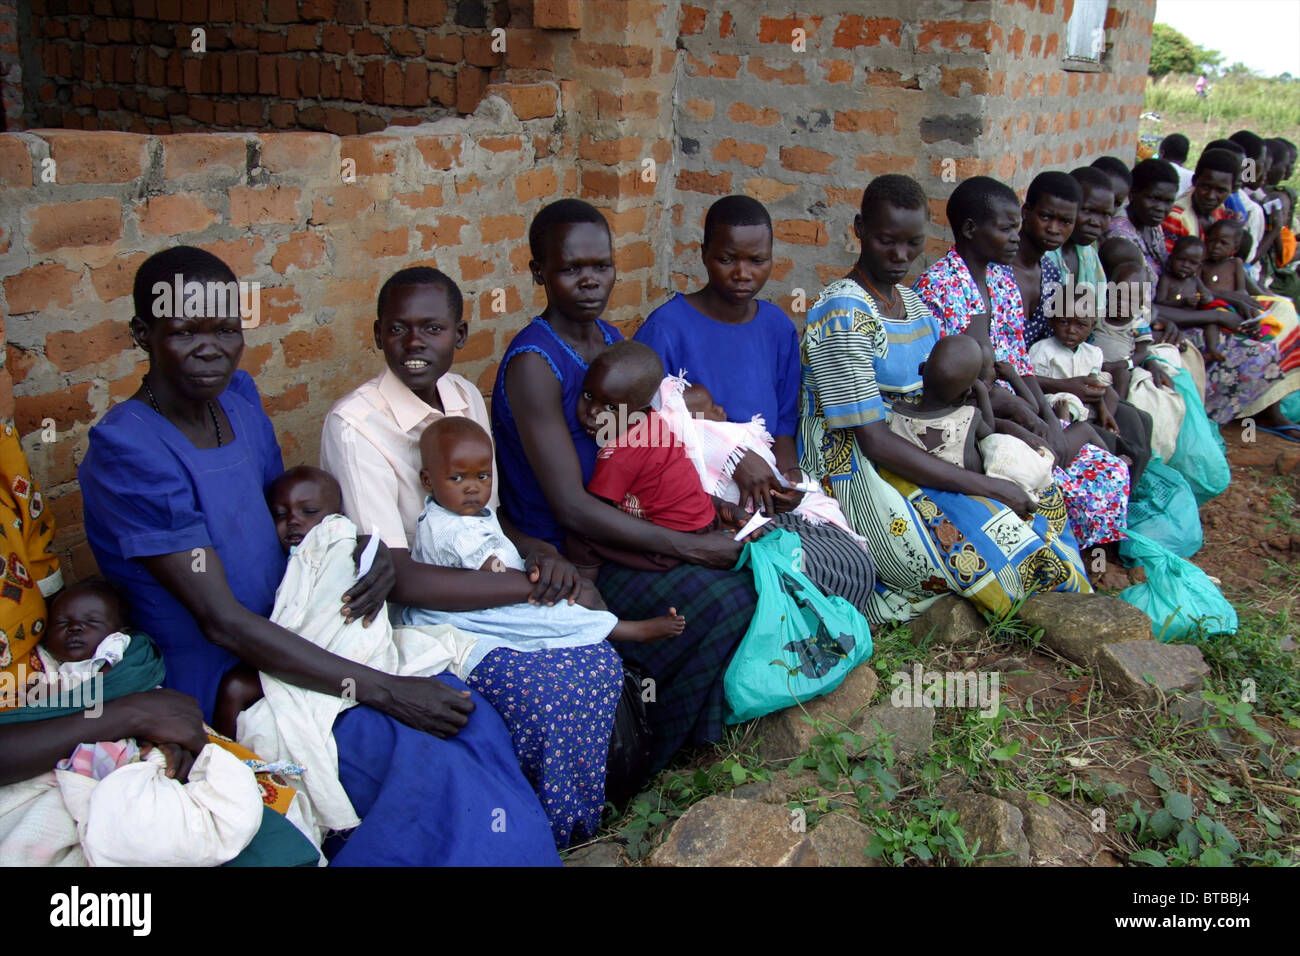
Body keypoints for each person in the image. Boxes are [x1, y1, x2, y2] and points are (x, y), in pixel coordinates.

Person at [78, 246, 559, 866]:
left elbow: (296, 525)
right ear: (143, 333)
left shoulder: (238, 400)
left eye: (225, 330)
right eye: (185, 331)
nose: (210, 349)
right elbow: (220, 620)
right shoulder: (129, 448)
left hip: (308, 629)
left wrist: (358, 548)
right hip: (231, 671)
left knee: (475, 724)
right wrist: (382, 690)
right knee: (418, 757)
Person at [322, 265, 623, 849]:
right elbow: (399, 578)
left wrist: (539, 556)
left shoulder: (461, 394)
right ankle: (532, 834)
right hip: (425, 613)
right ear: (376, 333)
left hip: (493, 582)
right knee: (545, 693)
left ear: (460, 336)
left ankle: (576, 819)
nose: (415, 344)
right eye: (399, 330)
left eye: (432, 329)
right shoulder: (354, 427)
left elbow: (488, 515)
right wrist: (531, 585)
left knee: (595, 651)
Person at [492, 199, 759, 772]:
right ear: (538, 272)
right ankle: (657, 748)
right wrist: (687, 544)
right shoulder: (535, 364)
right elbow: (568, 505)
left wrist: (706, 505)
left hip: (633, 521)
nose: (590, 280)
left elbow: (648, 447)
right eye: (569, 269)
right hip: (574, 549)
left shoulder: (613, 342)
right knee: (722, 600)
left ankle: (704, 731)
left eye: (601, 265)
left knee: (750, 573)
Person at [799, 174, 1089, 627]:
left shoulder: (913, 306)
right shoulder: (842, 312)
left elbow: (946, 392)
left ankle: (1062, 604)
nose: (900, 256)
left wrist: (1011, 419)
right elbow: (873, 441)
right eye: (886, 241)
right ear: (858, 229)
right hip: (858, 469)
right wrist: (983, 485)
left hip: (920, 443)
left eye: (913, 243)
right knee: (988, 531)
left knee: (1035, 490)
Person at [915, 175, 1131, 550]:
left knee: (1105, 465)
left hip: (1012, 410)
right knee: (1058, 480)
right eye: (1007, 228)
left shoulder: (1000, 279)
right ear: (970, 229)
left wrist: (1045, 415)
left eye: (1017, 227)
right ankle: (1058, 558)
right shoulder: (941, 286)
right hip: (970, 423)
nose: (1017, 236)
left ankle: (1084, 554)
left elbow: (1016, 360)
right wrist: (1027, 420)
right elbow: (955, 387)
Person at [635, 194, 802, 512]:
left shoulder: (777, 327)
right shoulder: (666, 328)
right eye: (727, 259)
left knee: (845, 557)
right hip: (692, 492)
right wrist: (730, 457)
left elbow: (783, 425)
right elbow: (639, 427)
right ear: (704, 255)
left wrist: (790, 477)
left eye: (757, 260)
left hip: (766, 489)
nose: (742, 273)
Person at [1162, 151, 1300, 430]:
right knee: (1259, 346)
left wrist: (1240, 298)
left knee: (1284, 309)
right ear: (1195, 181)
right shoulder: (1176, 217)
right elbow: (1183, 279)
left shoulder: (1221, 215)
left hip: (1211, 298)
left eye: (1221, 190)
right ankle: (1237, 409)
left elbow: (1228, 267)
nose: (1212, 195)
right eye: (1206, 186)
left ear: (1232, 189)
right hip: (1187, 306)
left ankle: (1262, 402)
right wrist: (1228, 303)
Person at [888, 334, 1058, 501]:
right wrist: (982, 392)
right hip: (971, 488)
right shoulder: (967, 417)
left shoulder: (900, 410)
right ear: (967, 392)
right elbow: (989, 433)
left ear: (922, 369)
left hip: (923, 482)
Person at [1011, 171, 1080, 349]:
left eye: (1065, 222)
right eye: (1045, 217)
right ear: (1026, 212)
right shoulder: (996, 268)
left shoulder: (1051, 275)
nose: (1054, 229)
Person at [1157, 236, 1227, 362]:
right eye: (1181, 260)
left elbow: (1208, 297)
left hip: (1194, 318)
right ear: (1171, 258)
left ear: (1199, 266)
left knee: (1212, 323)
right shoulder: (1167, 279)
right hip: (1175, 320)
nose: (1185, 265)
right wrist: (1182, 302)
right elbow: (1159, 303)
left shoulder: (1195, 280)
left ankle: (1211, 350)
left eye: (1192, 263)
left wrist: (1205, 299)